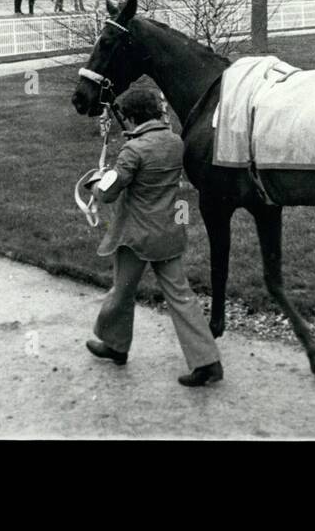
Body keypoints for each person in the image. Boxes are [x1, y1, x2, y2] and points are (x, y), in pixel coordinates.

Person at [85, 88, 223, 387]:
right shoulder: (175, 141)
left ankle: (116, 346)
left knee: (121, 293)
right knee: (181, 296)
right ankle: (207, 361)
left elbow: (108, 193)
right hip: (168, 233)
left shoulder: (133, 150)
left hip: (136, 236)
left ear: (132, 117)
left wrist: (95, 183)